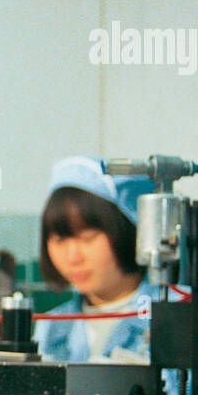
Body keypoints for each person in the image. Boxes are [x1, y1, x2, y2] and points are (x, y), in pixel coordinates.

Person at [34, 155, 160, 362]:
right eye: (59, 240)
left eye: (88, 238)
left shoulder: (179, 314)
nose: (73, 257)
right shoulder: (51, 327)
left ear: (131, 232)